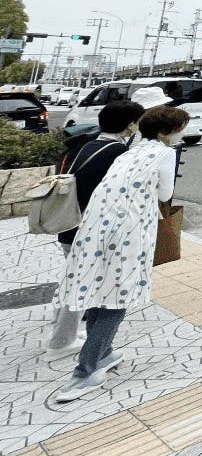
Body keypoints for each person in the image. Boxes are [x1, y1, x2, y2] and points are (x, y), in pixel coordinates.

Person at [53, 95, 183, 402]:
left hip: (95, 229)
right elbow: (165, 192)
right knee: (117, 299)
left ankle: (106, 353)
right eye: (180, 128)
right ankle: (84, 373)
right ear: (168, 131)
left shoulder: (128, 152)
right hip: (129, 233)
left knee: (101, 290)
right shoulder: (164, 154)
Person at [46, 99, 146, 356]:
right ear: (131, 125)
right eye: (138, 122)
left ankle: (62, 329)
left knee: (73, 278)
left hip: (67, 223)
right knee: (82, 285)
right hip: (89, 230)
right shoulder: (117, 154)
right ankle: (61, 341)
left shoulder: (83, 144)